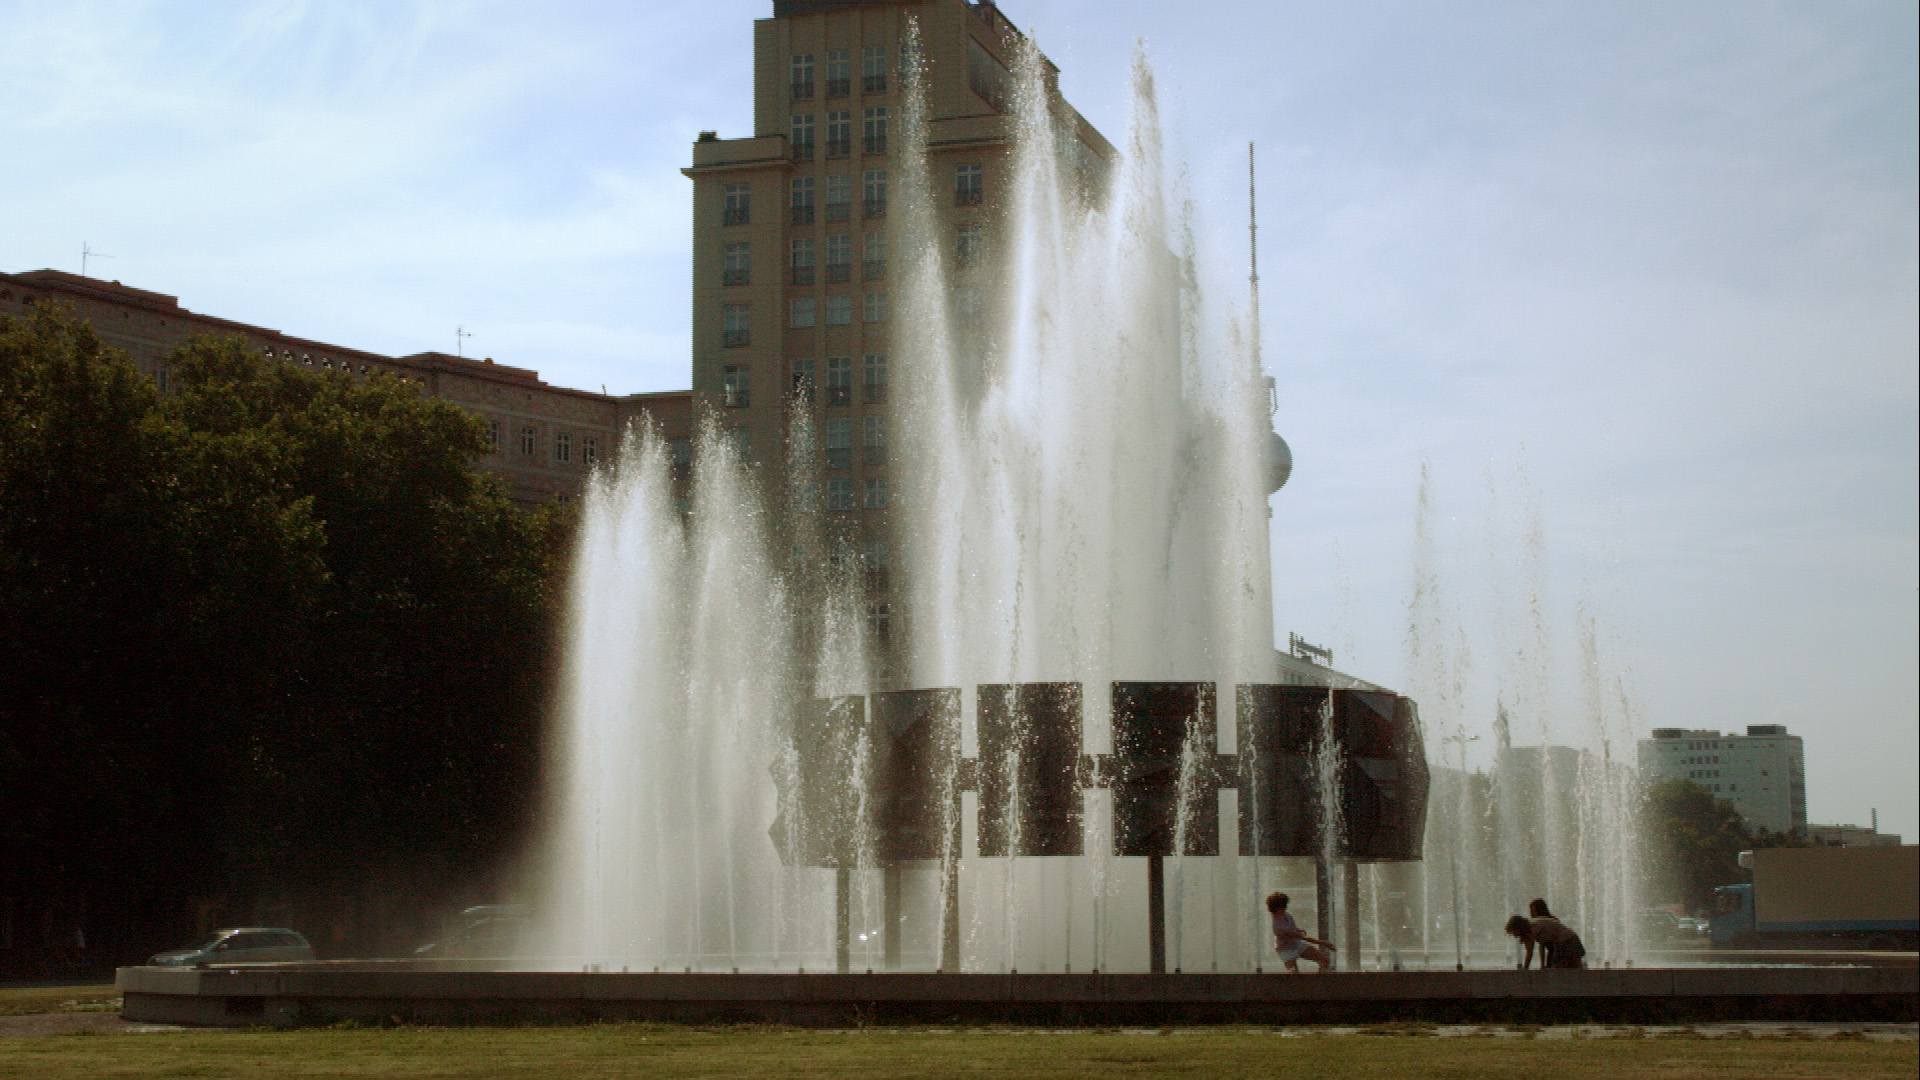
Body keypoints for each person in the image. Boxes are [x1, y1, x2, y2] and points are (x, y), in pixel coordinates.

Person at [1505, 898, 1587, 969]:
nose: (1514, 935)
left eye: (1513, 931)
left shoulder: (1531, 929)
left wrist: (1526, 970)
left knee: (1558, 968)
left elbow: (1531, 951)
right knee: (1574, 967)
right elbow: (1538, 947)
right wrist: (1541, 965)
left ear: (1518, 927)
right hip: (1572, 937)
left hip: (1565, 942)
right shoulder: (1534, 924)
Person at [1266, 892, 1336, 972]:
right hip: (1285, 949)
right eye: (1282, 907)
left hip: (1297, 944)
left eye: (1285, 906)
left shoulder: (1287, 915)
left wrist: (1297, 930)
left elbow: (1294, 932)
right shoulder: (1277, 926)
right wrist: (1323, 943)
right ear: (1275, 908)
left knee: (1324, 960)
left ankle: (1319, 980)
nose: (1285, 908)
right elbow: (1300, 937)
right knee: (1293, 972)